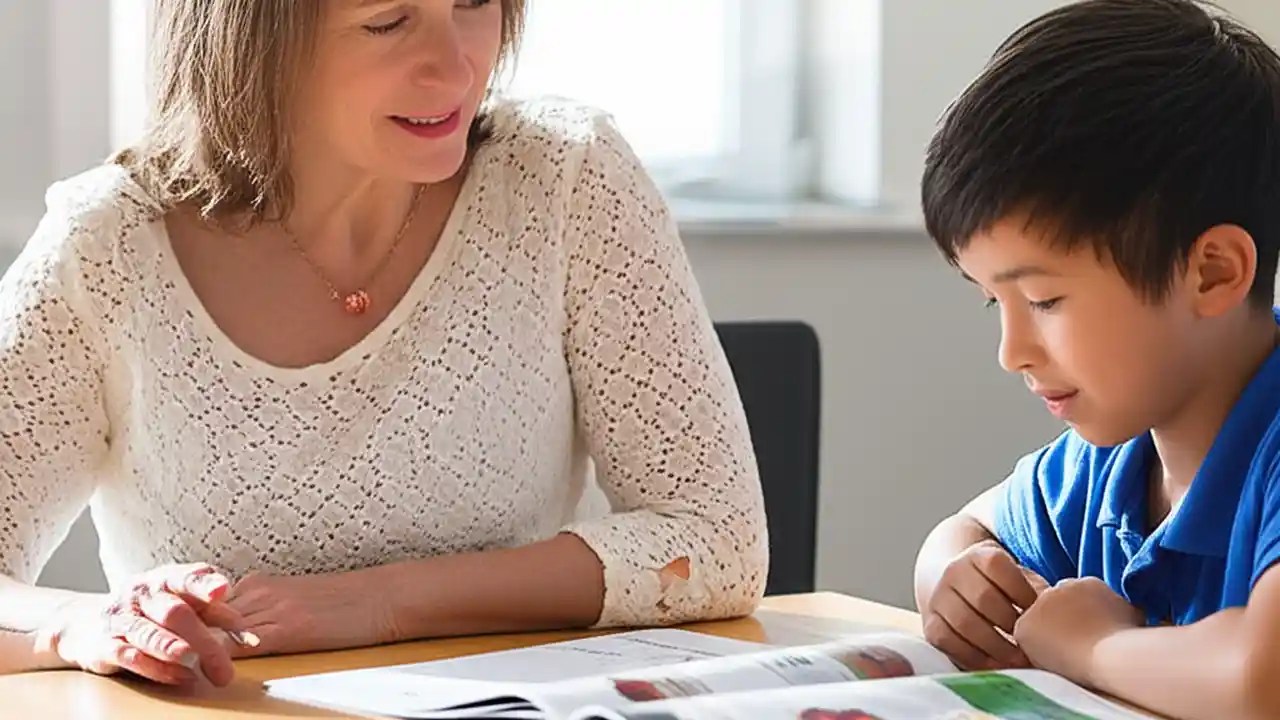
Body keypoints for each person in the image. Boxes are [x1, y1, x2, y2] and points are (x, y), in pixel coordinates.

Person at [0, 0, 767, 687]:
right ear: (252, 32)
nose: (458, 62)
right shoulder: (108, 244)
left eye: (474, 3)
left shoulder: (564, 179)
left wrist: (373, 604)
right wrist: (83, 625)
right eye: (387, 21)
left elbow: (717, 540)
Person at [912, 1, 1280, 718]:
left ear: (1211, 273)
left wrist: (1089, 648)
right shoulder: (1107, 466)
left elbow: (1261, 681)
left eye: (1045, 301)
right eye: (996, 302)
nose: (1011, 352)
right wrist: (951, 578)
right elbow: (965, 530)